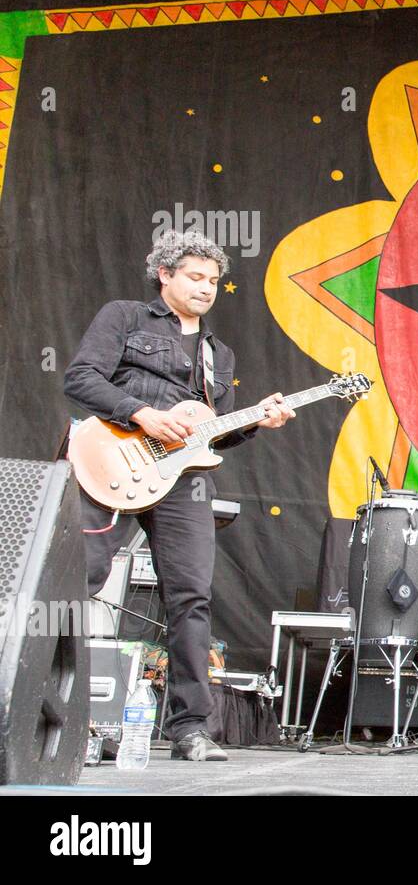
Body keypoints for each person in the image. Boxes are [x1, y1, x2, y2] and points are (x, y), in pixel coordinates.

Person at [65, 229, 295, 762]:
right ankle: (46, 706)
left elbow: (215, 436)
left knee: (191, 598)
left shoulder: (221, 355)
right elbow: (80, 379)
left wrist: (261, 419)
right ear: (164, 275)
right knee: (76, 582)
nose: (206, 288)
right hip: (113, 460)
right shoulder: (124, 317)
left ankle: (190, 728)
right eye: (195, 276)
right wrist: (140, 413)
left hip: (183, 483)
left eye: (214, 281)